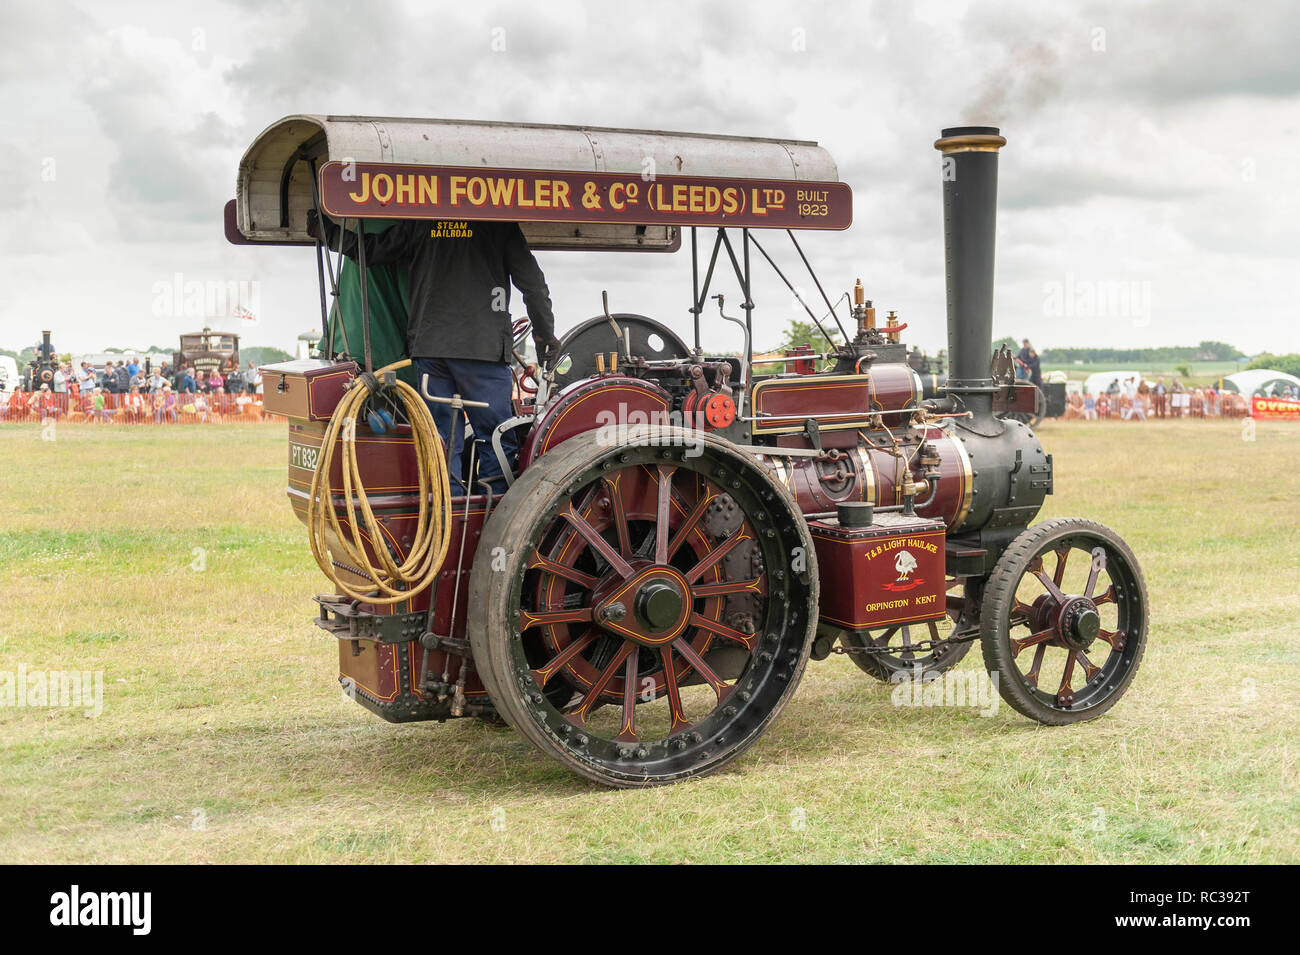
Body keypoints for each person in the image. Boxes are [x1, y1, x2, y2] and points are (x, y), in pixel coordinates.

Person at [310, 211, 558, 495]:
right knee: (496, 437)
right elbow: (533, 285)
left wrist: (327, 231)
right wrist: (544, 335)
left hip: (431, 351)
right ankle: (494, 512)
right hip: (482, 351)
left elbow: (370, 251)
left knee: (442, 440)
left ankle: (446, 513)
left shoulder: (422, 221)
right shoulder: (498, 223)